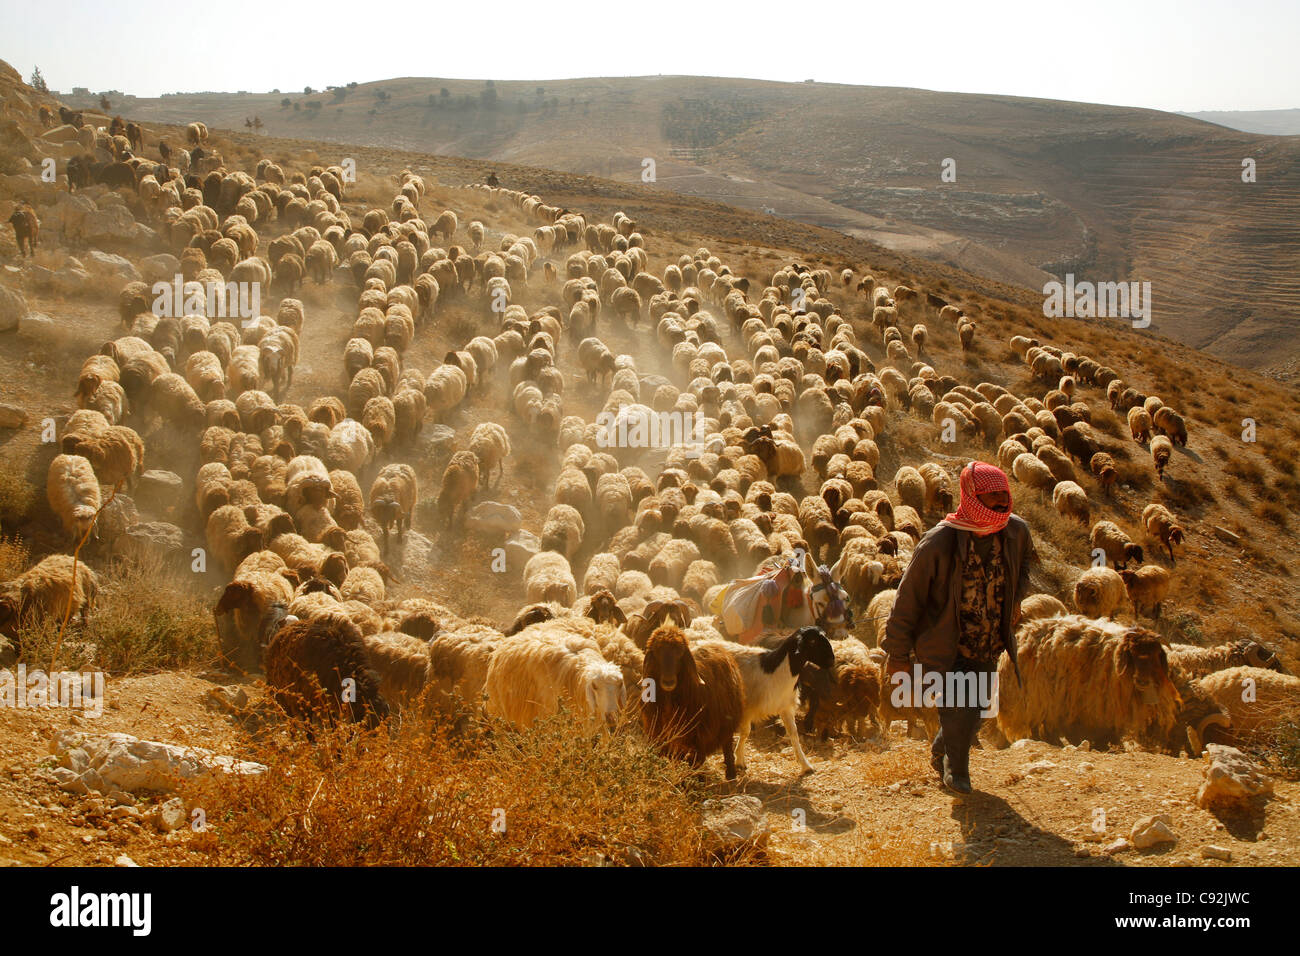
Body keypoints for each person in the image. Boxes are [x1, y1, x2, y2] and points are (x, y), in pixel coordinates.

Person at [880, 461, 1036, 794]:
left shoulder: (1015, 531)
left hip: (990, 639)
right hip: (948, 640)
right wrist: (897, 652)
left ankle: (942, 749)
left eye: (1003, 494)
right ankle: (957, 770)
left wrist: (1016, 599)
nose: (1000, 501)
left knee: (980, 706)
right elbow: (908, 598)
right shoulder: (939, 543)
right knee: (957, 705)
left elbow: (1024, 566)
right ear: (971, 496)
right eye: (991, 495)